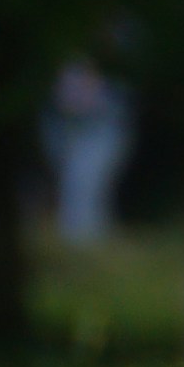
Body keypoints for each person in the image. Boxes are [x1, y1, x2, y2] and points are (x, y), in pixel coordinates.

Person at [45, 53, 135, 242]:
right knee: (76, 187)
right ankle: (81, 242)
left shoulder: (112, 51)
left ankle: (83, 242)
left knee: (84, 185)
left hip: (100, 126)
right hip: (67, 126)